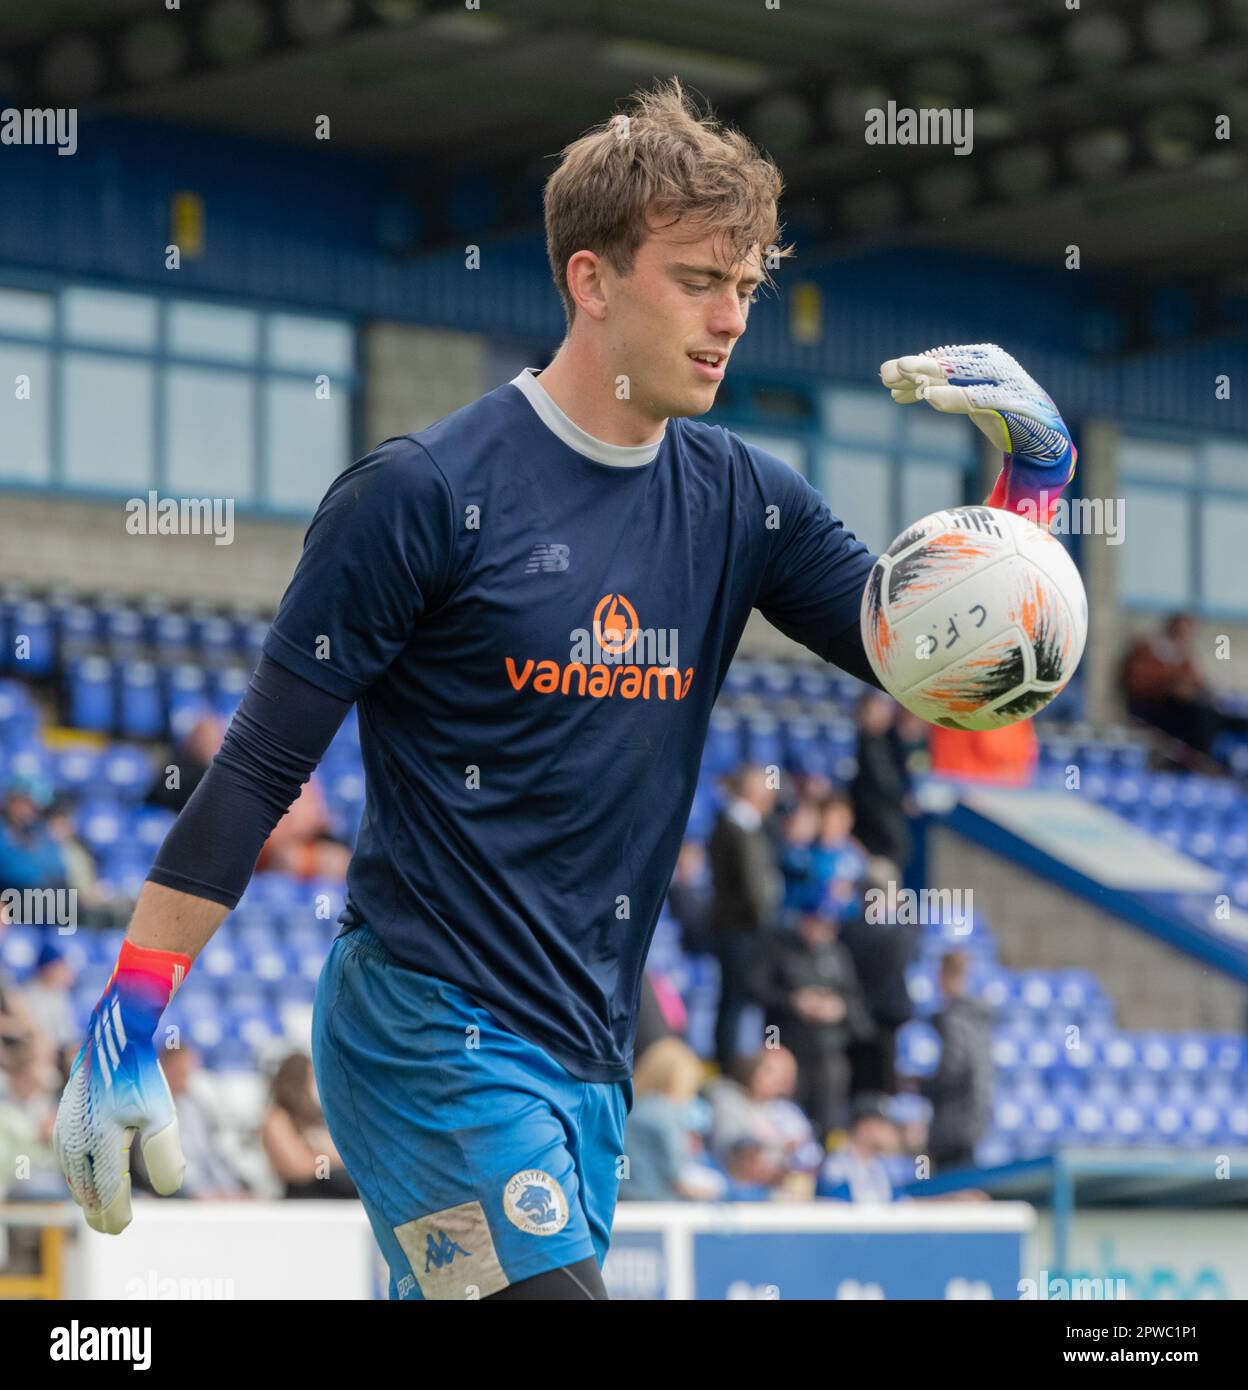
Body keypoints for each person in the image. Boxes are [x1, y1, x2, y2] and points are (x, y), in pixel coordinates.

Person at [51, 79, 1076, 1300]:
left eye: (746, 287)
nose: (733, 317)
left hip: (588, 1058)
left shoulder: (746, 499)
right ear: (591, 281)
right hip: (427, 1031)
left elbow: (930, 669)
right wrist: (131, 1002)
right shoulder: (422, 494)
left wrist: (1033, 496)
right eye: (699, 280)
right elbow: (264, 765)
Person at [751, 907, 874, 1140]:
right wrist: (794, 1001)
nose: (822, 930)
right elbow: (756, 989)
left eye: (828, 925)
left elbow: (857, 1003)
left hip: (828, 1054)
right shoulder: (779, 947)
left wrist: (838, 1008)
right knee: (787, 1123)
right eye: (817, 922)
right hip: (787, 1051)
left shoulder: (838, 954)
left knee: (828, 1122)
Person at [708, 764, 781, 1075]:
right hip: (741, 930)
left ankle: (736, 1063)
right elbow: (753, 889)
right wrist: (763, 919)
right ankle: (727, 1066)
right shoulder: (738, 826)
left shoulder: (743, 825)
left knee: (736, 1000)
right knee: (734, 1000)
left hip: (740, 928)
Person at [1122, 613, 1248, 764]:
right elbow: (1140, 685)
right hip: (1161, 711)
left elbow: (1197, 684)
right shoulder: (1148, 651)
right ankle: (1204, 760)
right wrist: (1172, 686)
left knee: (1228, 717)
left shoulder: (1185, 657)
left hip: (1189, 709)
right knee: (1204, 717)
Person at [920, 951, 993, 1171]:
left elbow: (953, 1068)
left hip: (953, 1121)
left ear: (943, 975)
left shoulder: (955, 1019)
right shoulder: (979, 1019)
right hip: (974, 1117)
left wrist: (922, 1086)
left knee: (951, 1189)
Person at [620, 1037, 714, 1201]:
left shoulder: (628, 1107)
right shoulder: (665, 1114)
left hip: (621, 1202)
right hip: (656, 1208)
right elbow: (679, 1178)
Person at [261, 1052, 356, 1199]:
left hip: (328, 1194)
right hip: (302, 1198)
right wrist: (328, 1158)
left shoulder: (315, 1117)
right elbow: (298, 1168)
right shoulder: (277, 1118)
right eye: (313, 1078)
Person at [850, 692, 914, 872]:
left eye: (885, 709)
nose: (883, 714)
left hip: (886, 835)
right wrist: (902, 797)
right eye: (877, 708)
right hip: (866, 831)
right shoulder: (863, 742)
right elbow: (884, 784)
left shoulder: (891, 741)